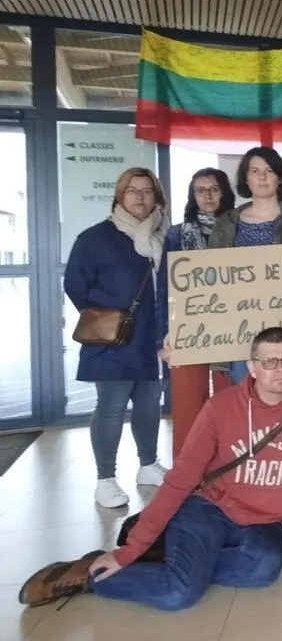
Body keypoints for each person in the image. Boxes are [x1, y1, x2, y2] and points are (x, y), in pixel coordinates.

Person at [19, 327, 282, 611]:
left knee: (264, 569)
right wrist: (131, 549)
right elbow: (181, 478)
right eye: (269, 362)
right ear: (252, 367)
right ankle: (91, 576)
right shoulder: (220, 407)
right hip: (210, 507)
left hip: (261, 519)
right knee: (178, 593)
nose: (281, 370)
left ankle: (179, 559)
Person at [207, 146, 282, 510]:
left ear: (279, 177)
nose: (261, 177)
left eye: (268, 170)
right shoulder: (228, 223)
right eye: (254, 171)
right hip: (244, 337)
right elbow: (210, 279)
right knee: (249, 412)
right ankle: (252, 484)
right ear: (245, 178)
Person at [65, 167, 169, 509]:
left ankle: (148, 465)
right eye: (132, 190)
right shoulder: (95, 238)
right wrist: (107, 318)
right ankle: (105, 479)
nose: (140, 197)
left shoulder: (164, 237)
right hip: (113, 341)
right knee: (110, 407)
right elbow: (75, 286)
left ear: (156, 197)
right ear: (119, 196)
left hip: (154, 339)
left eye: (147, 191)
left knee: (149, 403)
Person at [160, 168, 235, 458]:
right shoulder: (177, 234)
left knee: (231, 402)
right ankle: (187, 474)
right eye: (200, 190)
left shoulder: (239, 227)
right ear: (192, 196)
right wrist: (164, 334)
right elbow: (164, 287)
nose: (207, 195)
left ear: (224, 193)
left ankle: (229, 469)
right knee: (189, 404)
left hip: (232, 327)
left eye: (213, 189)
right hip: (188, 327)